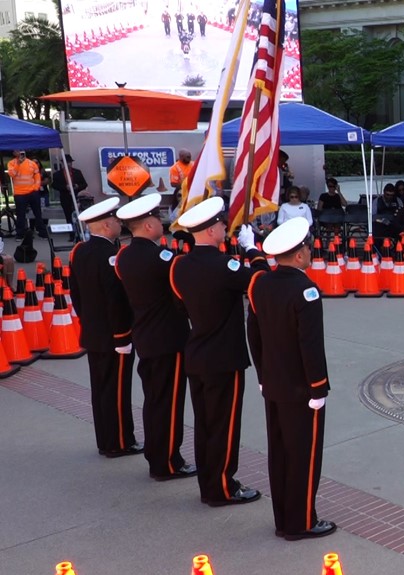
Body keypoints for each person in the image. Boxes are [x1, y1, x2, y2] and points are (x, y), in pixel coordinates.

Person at [170, 198, 266, 507]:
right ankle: (223, 486)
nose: (226, 227)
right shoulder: (226, 266)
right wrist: (252, 250)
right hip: (224, 358)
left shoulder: (179, 266)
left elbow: (180, 306)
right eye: (222, 224)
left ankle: (208, 483)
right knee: (224, 425)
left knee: (205, 424)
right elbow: (261, 282)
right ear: (212, 231)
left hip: (196, 353)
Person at [247, 218, 336, 541]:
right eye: (307, 248)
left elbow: (253, 335)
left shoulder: (259, 284)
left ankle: (283, 518)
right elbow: (310, 344)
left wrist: (261, 375)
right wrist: (318, 386)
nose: (310, 252)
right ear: (298, 255)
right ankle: (301, 522)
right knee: (304, 455)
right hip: (301, 389)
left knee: (281, 453)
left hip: (273, 384)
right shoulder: (306, 290)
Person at [113, 193, 196, 481]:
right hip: (169, 338)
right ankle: (168, 462)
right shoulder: (161, 257)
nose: (161, 223)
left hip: (145, 335)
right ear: (147, 225)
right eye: (157, 219)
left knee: (154, 400)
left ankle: (156, 455)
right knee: (169, 403)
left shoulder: (124, 256)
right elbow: (182, 285)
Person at [70, 197, 142, 458]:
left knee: (100, 389)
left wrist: (87, 321)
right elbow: (117, 300)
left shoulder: (79, 251)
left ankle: (105, 439)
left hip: (92, 333)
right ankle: (120, 441)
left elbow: (75, 294)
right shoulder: (111, 256)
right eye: (114, 220)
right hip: (114, 335)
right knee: (117, 391)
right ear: (104, 225)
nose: (118, 224)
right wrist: (123, 335)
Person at [7, 150, 46, 239]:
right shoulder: (11, 163)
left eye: (21, 151)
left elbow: (37, 175)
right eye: (17, 152)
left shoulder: (32, 163)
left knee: (38, 213)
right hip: (19, 193)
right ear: (14, 153)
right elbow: (12, 174)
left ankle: (42, 232)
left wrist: (36, 187)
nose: (20, 153)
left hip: (32, 192)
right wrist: (18, 163)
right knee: (21, 215)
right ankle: (20, 234)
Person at [54, 155, 88, 242]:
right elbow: (54, 185)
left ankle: (81, 233)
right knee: (68, 216)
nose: (69, 164)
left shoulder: (77, 172)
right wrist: (65, 187)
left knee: (78, 215)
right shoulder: (57, 174)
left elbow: (84, 184)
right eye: (67, 163)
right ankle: (72, 235)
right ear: (63, 163)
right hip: (65, 197)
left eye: (70, 162)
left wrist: (77, 186)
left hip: (77, 197)